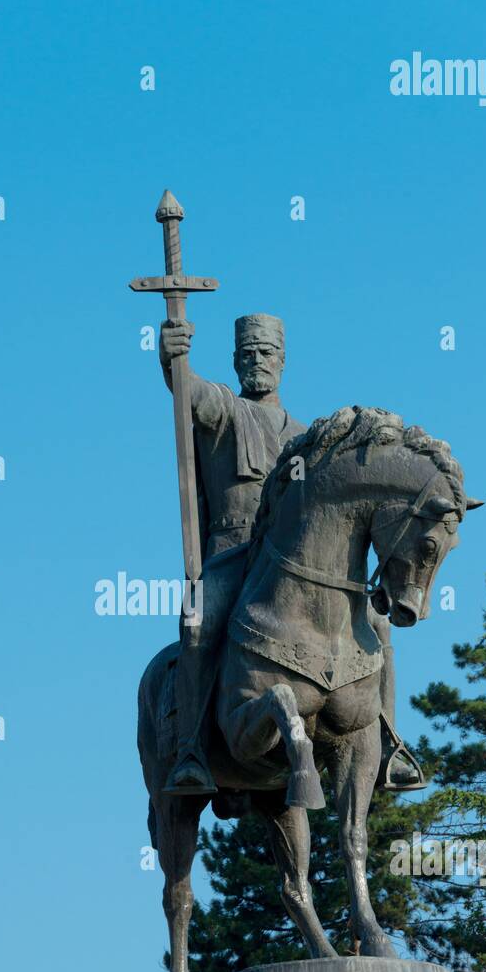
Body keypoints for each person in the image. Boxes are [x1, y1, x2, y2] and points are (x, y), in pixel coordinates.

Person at [160, 313, 425, 797]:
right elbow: (188, 392)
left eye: (266, 353)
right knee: (197, 620)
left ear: (283, 361)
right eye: (247, 354)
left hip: (292, 566)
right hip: (232, 555)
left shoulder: (306, 438)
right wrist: (173, 355)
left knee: (378, 621)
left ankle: (388, 741)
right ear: (235, 361)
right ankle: (191, 750)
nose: (256, 361)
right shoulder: (225, 411)